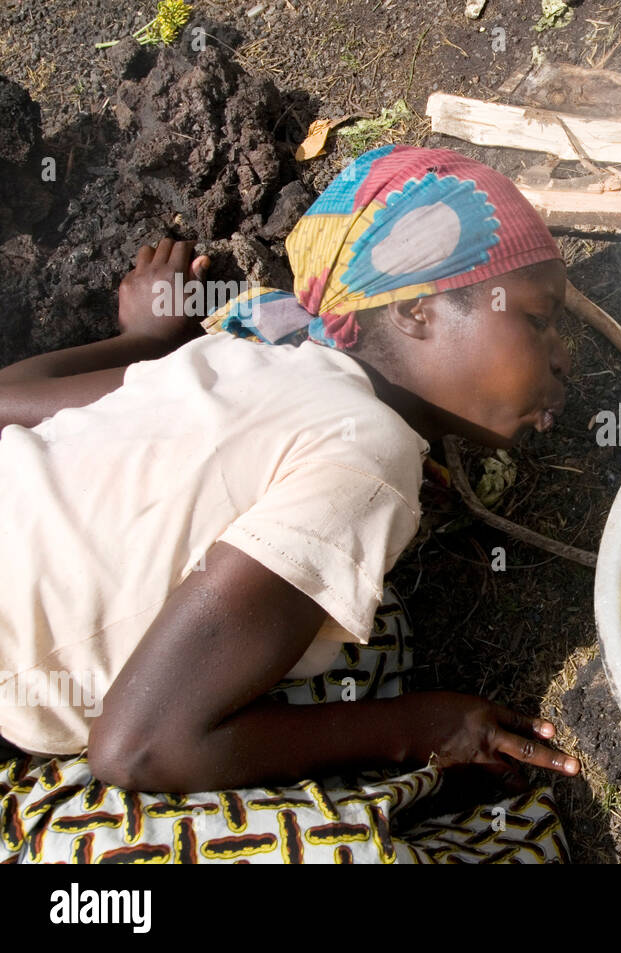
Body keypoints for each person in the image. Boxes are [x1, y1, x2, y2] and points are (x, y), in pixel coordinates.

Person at [0, 145, 580, 863]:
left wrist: (140, 343)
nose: (564, 357)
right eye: (539, 320)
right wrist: (423, 728)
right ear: (415, 310)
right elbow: (137, 747)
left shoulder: (249, 352)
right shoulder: (370, 454)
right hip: (78, 734)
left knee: (359, 632)